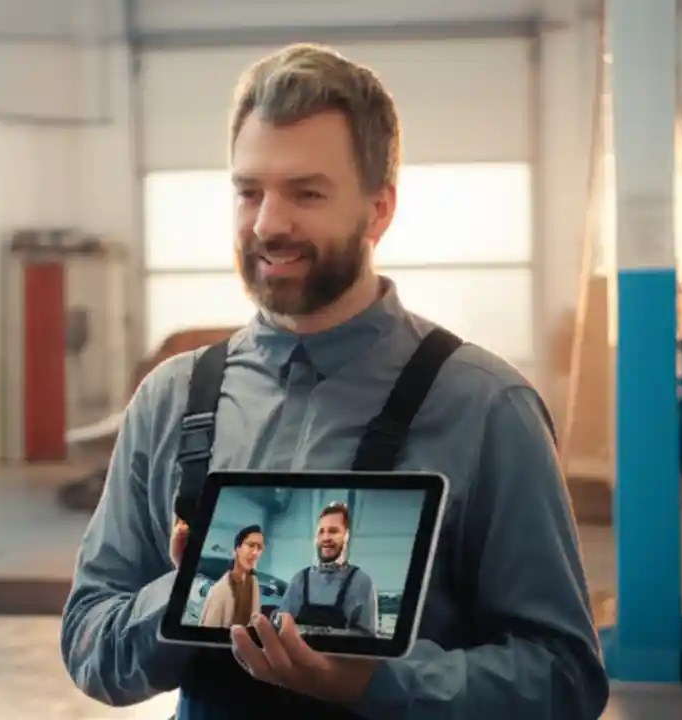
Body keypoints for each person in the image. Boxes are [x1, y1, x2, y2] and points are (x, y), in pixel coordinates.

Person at [60, 43, 608, 719]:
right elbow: (89, 643)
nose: (268, 223)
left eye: (306, 193)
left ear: (379, 209)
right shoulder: (171, 402)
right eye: (249, 191)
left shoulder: (486, 409)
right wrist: (188, 591)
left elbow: (564, 679)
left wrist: (378, 683)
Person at [277, 503, 378, 637]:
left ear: (346, 535)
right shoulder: (299, 579)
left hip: (340, 658)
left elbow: (368, 638)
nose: (325, 538)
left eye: (333, 531)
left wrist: (319, 633)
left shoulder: (361, 582)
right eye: (321, 531)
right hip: (297, 657)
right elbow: (280, 628)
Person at [198, 525, 265, 628]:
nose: (255, 553)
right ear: (237, 549)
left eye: (259, 548)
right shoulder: (219, 592)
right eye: (251, 545)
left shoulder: (253, 583)